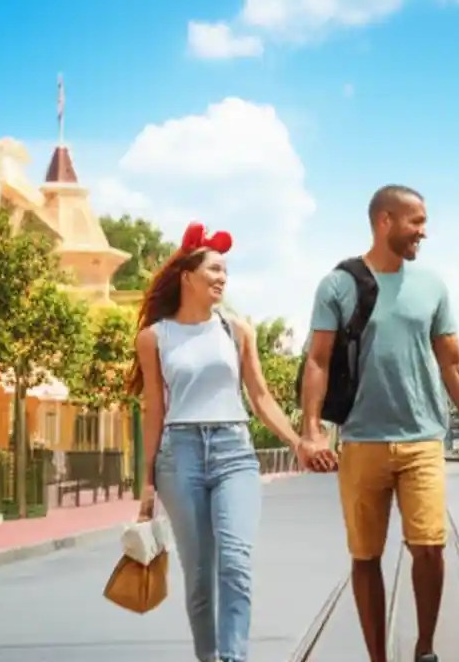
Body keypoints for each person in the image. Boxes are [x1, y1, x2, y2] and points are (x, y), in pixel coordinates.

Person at [300, 184, 459, 662]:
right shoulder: (338, 286)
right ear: (385, 220)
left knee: (430, 548)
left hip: (423, 439)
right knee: (366, 557)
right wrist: (310, 428)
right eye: (416, 222)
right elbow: (318, 361)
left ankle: (424, 649)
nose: (423, 232)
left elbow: (453, 361)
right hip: (362, 440)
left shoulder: (431, 286)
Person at [130, 221, 334, 662]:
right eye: (214, 270)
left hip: (234, 453)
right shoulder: (155, 338)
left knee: (236, 564)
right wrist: (146, 484)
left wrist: (299, 441)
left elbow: (260, 397)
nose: (222, 279)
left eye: (226, 272)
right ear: (187, 274)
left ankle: (234, 658)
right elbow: (154, 413)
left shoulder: (237, 331)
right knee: (200, 577)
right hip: (179, 456)